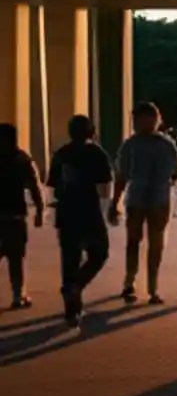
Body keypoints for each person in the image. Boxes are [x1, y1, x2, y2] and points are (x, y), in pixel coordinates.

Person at [111, 101, 177, 305]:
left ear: (156, 119)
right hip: (137, 199)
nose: (143, 123)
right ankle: (130, 282)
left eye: (147, 118)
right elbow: (121, 176)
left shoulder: (166, 144)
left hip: (159, 200)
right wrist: (115, 202)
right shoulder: (131, 145)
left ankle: (153, 287)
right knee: (134, 242)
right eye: (139, 119)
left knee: (156, 244)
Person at [47, 115, 113, 326]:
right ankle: (77, 285)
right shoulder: (96, 153)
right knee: (99, 253)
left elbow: (53, 186)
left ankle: (71, 312)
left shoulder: (61, 154)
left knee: (70, 260)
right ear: (91, 131)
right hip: (90, 212)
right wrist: (109, 208)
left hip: (66, 212)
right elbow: (105, 187)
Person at [0, 124, 43, 309]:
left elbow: (34, 186)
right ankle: (19, 295)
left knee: (15, 257)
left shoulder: (22, 160)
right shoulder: (23, 160)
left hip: (12, 215)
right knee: (16, 258)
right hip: (15, 216)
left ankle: (19, 294)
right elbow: (34, 187)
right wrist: (40, 210)